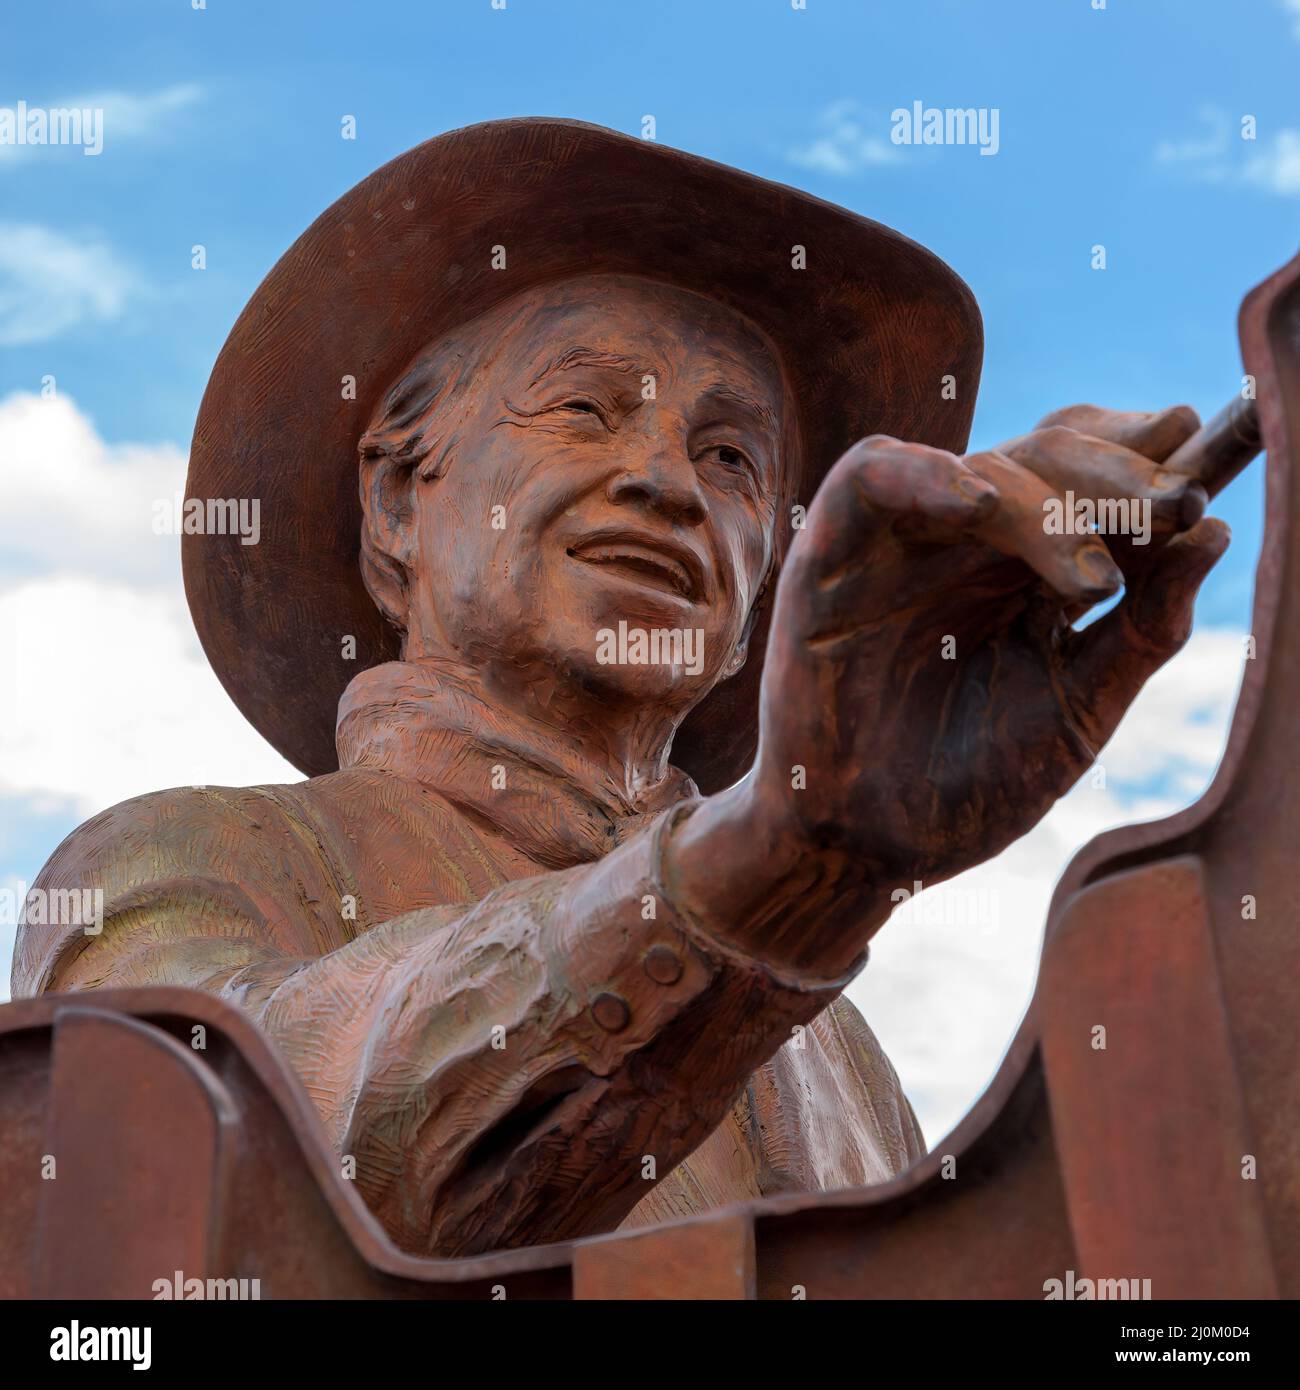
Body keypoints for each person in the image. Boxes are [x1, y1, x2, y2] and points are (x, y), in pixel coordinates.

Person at [12, 119, 1227, 1258]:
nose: (664, 481)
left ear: (759, 600)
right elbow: (230, 1151)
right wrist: (768, 867)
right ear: (396, 502)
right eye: (586, 408)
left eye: (731, 459)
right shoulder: (177, 861)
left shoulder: (839, 1051)